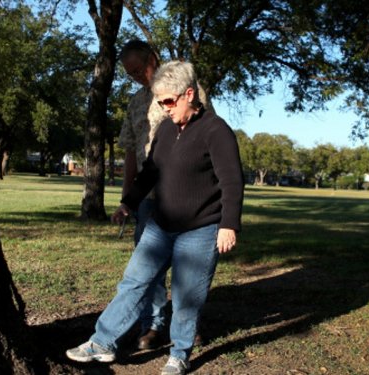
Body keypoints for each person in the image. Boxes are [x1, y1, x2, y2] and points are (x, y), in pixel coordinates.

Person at [66, 61, 244, 375]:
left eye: (168, 101)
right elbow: (150, 172)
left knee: (188, 295)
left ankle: (178, 355)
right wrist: (128, 204)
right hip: (160, 226)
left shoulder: (216, 130)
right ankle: (101, 342)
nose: (163, 108)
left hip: (201, 229)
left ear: (189, 94)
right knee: (134, 283)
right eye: (159, 102)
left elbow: (231, 180)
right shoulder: (165, 128)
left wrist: (229, 224)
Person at [118, 40, 213, 350]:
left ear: (153, 59)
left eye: (138, 68)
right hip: (148, 196)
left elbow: (207, 134)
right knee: (148, 268)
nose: (134, 75)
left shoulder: (188, 88)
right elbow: (132, 153)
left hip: (187, 193)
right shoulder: (134, 103)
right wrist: (127, 198)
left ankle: (188, 326)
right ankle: (153, 325)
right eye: (128, 72)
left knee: (190, 266)